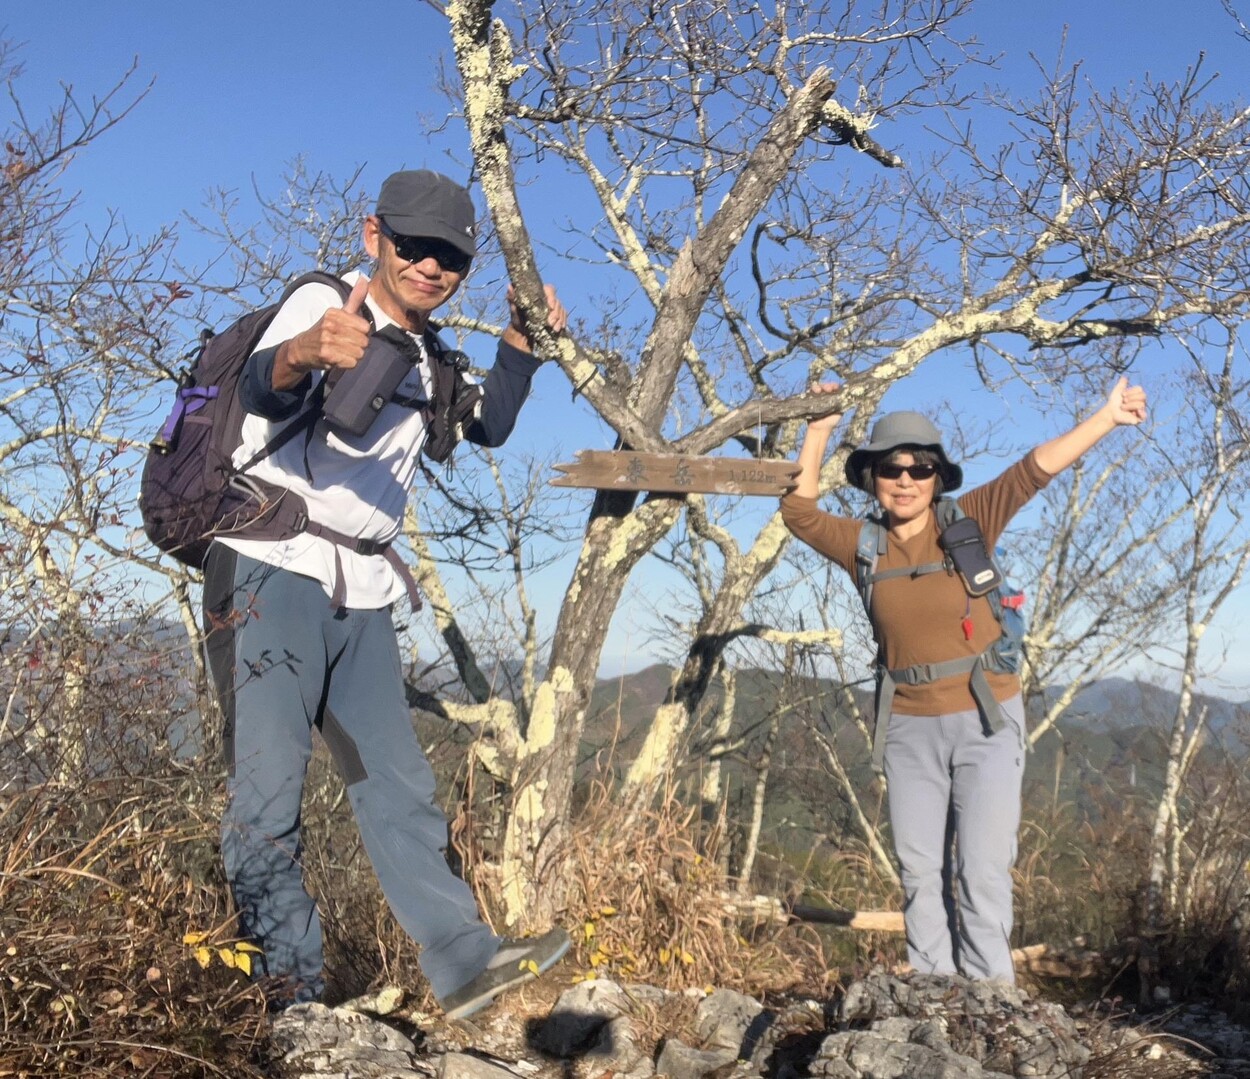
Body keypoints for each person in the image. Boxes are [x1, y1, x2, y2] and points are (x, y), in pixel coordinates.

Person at [201, 169, 570, 1017]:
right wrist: (301, 354)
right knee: (267, 791)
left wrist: (520, 344)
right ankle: (288, 996)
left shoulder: (432, 358)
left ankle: (467, 959)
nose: (431, 267)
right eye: (414, 247)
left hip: (361, 589)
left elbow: (488, 424)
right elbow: (263, 384)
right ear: (375, 237)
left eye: (449, 257)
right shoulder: (323, 304)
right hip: (268, 569)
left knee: (397, 781)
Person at [781, 377, 1148, 982]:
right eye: (890, 467)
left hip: (987, 719)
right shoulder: (863, 546)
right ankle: (934, 993)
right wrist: (818, 428)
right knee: (921, 871)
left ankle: (991, 997)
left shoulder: (970, 520)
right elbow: (798, 511)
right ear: (871, 476)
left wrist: (1107, 417)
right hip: (906, 726)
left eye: (919, 468)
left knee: (980, 870)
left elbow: (1034, 469)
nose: (905, 479)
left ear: (937, 477)